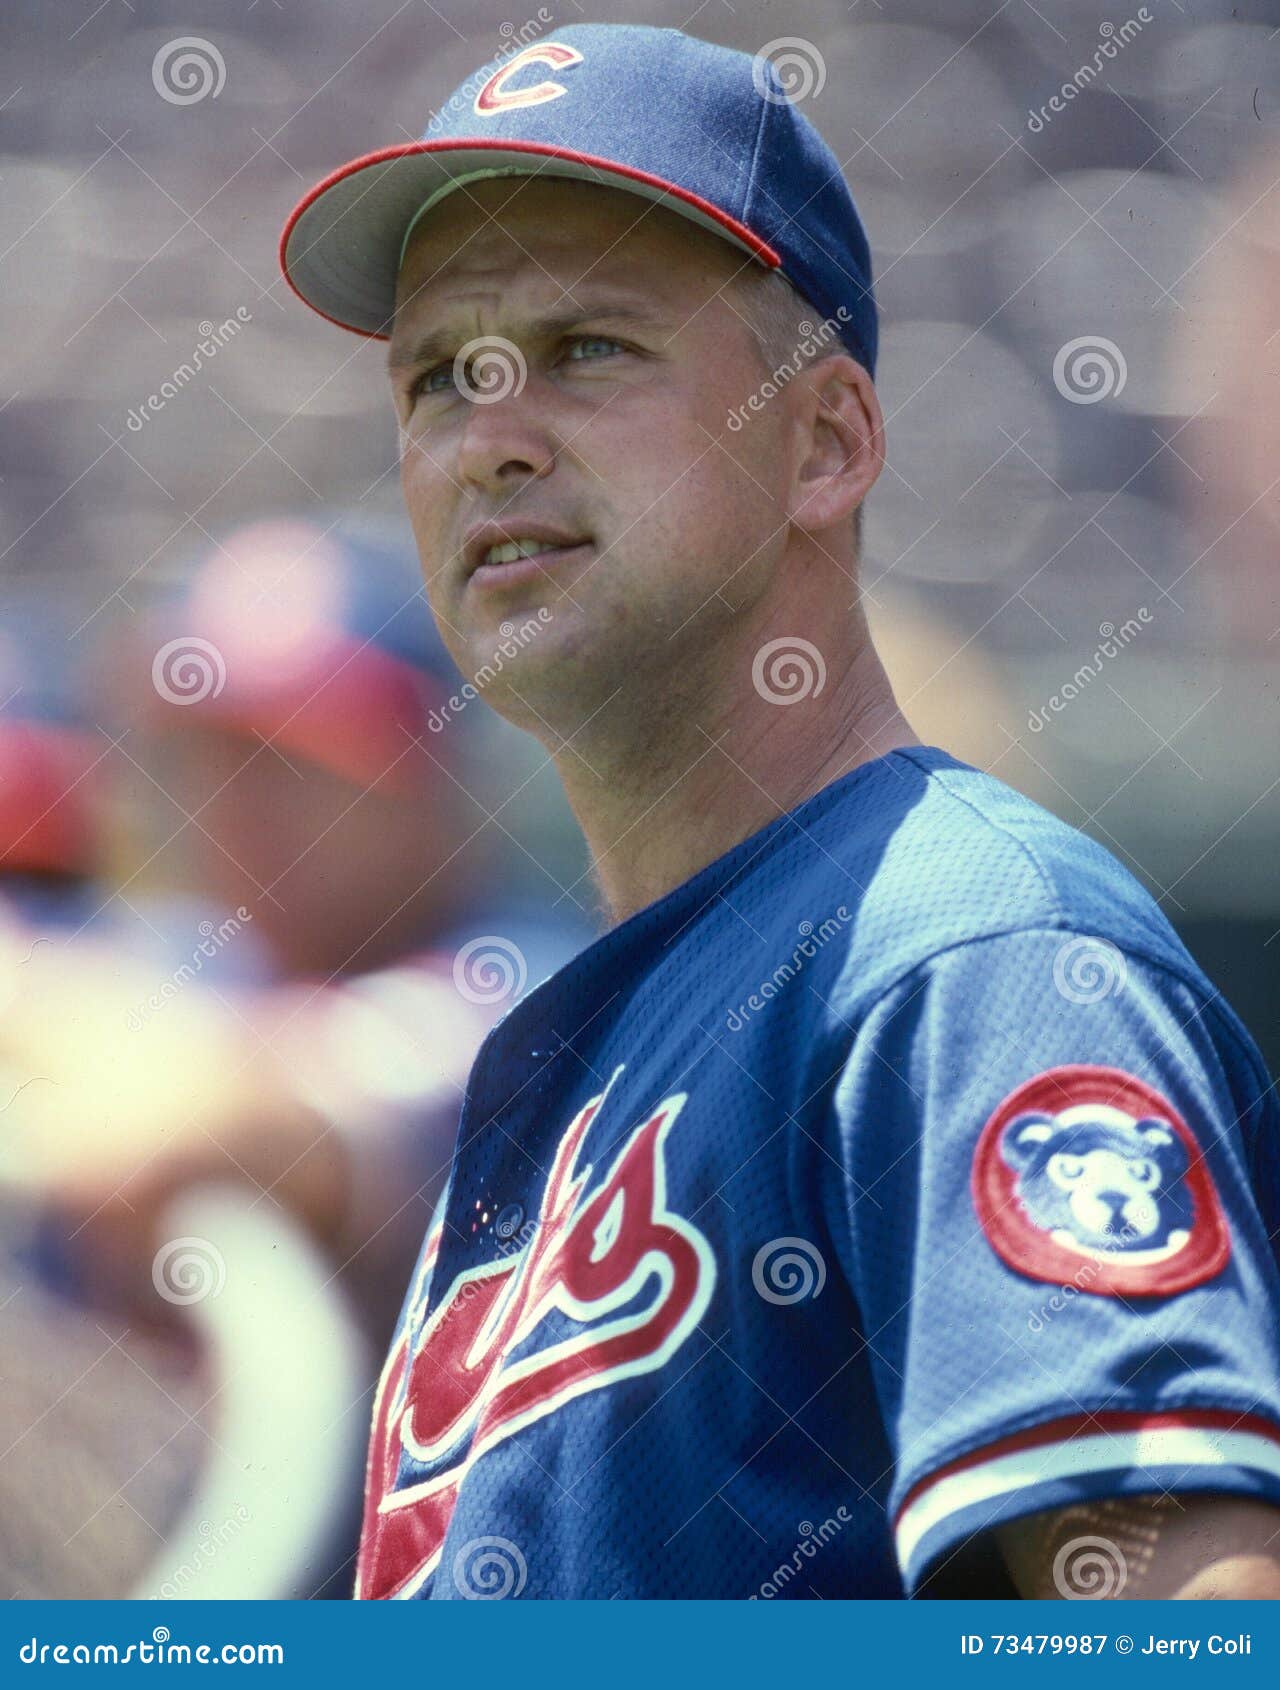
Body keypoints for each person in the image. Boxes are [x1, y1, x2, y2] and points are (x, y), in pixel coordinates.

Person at [280, 23, 1280, 1600]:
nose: (492, 437)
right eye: (435, 378)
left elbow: (1184, 1626)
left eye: (587, 348)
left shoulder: (967, 960)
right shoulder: (588, 1044)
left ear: (824, 443)